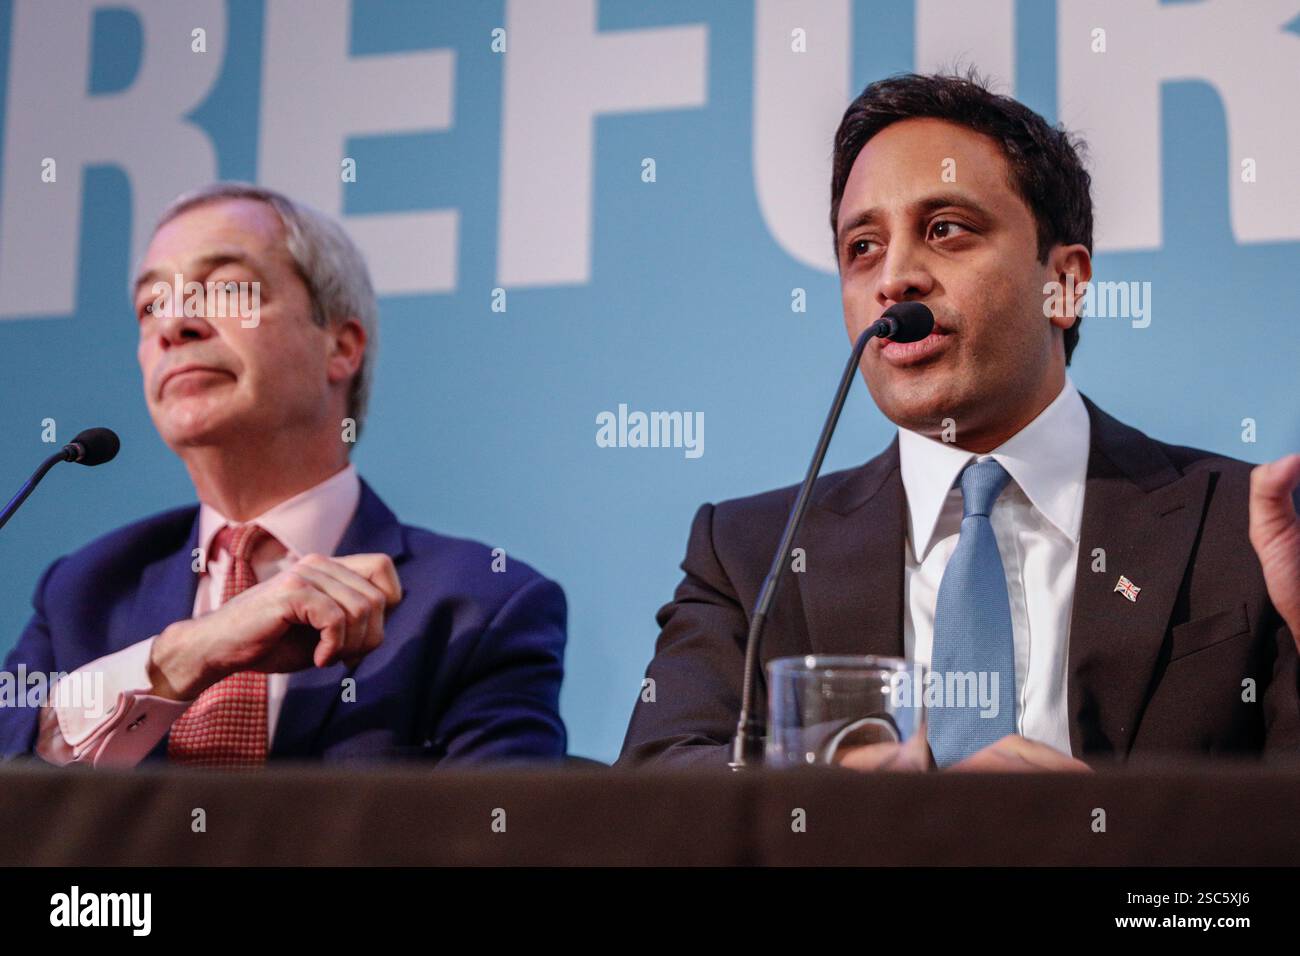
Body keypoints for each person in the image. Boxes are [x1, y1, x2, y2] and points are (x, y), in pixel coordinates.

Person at [619, 72, 1299, 771]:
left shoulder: (1244, 527)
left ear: (1063, 283)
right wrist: (842, 794)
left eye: (946, 230)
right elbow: (650, 790)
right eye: (863, 248)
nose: (896, 277)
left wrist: (1109, 836)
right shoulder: (750, 554)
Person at [0, 183, 567, 768]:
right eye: (151, 307)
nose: (174, 326)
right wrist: (177, 660)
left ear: (340, 347)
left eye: (226, 290)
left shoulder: (478, 606)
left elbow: (498, 839)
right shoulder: (86, 590)